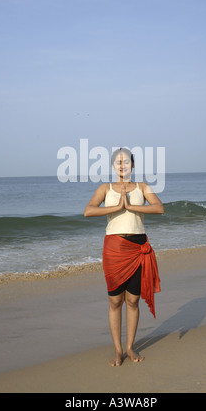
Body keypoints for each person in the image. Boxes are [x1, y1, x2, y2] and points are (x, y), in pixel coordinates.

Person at [84, 148, 164, 367]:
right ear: (113, 166)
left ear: (133, 165)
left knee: (133, 300)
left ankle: (130, 347)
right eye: (118, 162)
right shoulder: (105, 188)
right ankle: (118, 350)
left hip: (138, 247)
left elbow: (159, 208)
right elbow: (88, 211)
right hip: (115, 247)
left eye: (126, 162)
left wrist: (130, 206)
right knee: (115, 301)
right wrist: (118, 206)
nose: (122, 165)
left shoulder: (142, 187)